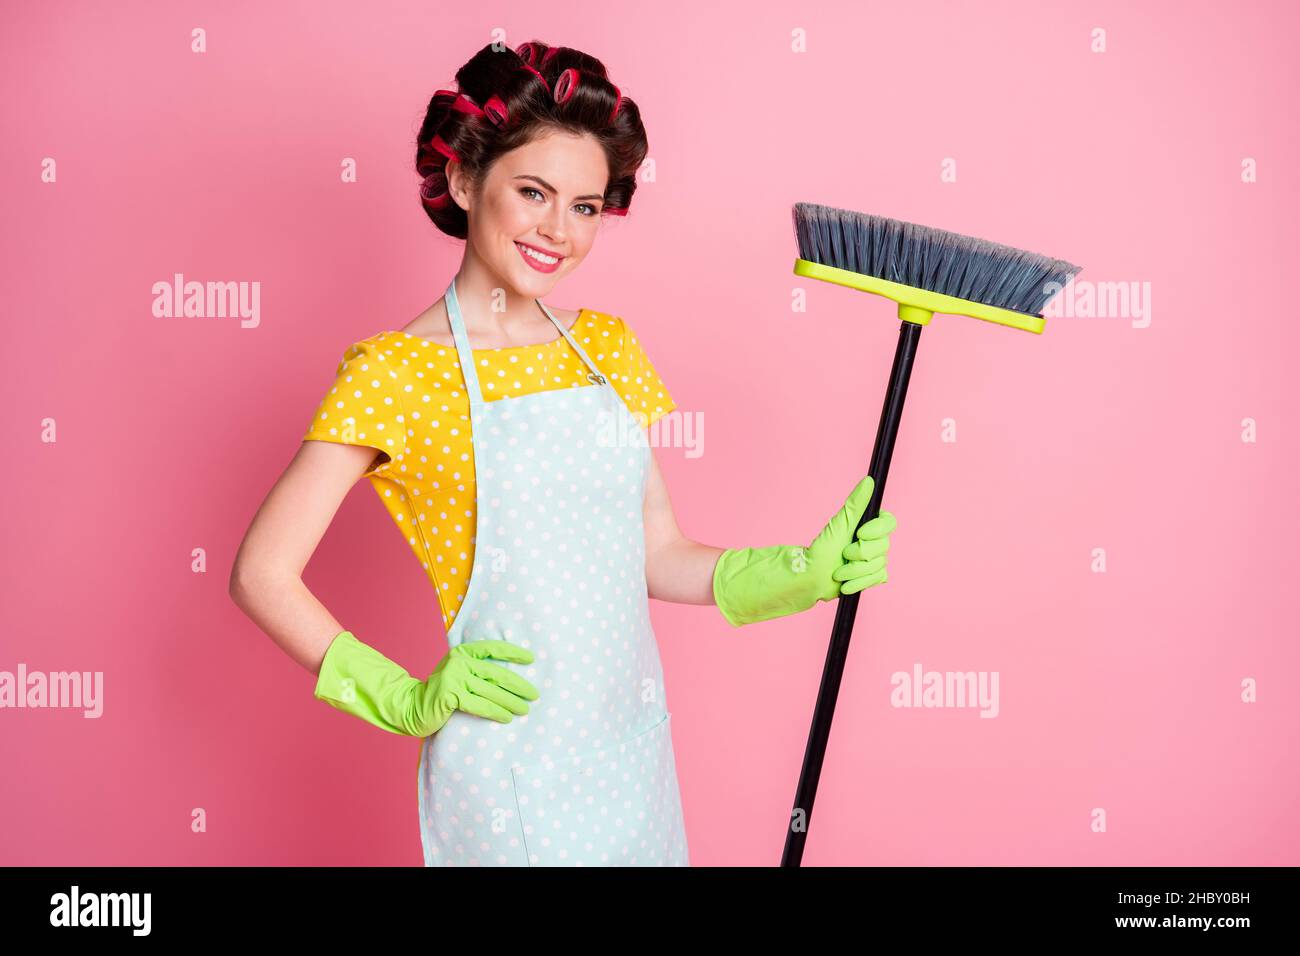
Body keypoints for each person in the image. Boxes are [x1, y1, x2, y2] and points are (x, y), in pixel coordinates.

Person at [228, 40, 897, 867]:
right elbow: (261, 571)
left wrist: (794, 572)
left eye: (585, 206)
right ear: (468, 182)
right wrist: (400, 696)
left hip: (627, 752)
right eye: (534, 193)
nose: (559, 230)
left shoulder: (608, 347)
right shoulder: (396, 374)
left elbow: (654, 551)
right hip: (507, 771)